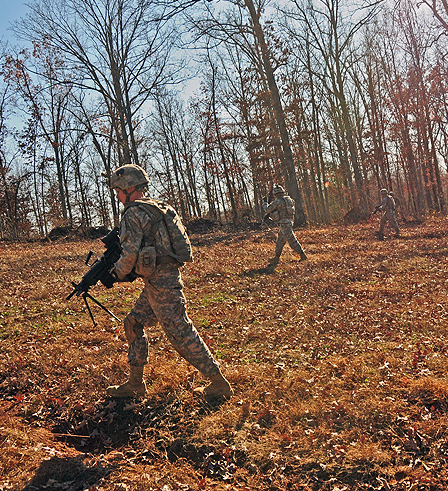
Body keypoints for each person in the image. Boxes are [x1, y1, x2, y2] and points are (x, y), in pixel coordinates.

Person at [105, 164, 233, 404]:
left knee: (180, 331)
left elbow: (129, 253)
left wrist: (115, 274)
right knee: (133, 322)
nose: (118, 196)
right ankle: (135, 384)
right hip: (161, 279)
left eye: (119, 191)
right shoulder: (159, 207)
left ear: (130, 188)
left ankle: (218, 382)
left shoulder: (133, 213)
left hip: (161, 283)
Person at [263, 184, 307, 267]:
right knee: (280, 242)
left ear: (275, 194)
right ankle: (276, 258)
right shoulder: (290, 200)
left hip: (284, 224)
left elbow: (267, 209)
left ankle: (303, 255)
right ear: (283, 192)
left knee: (292, 241)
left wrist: (265, 202)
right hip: (289, 222)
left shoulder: (277, 202)